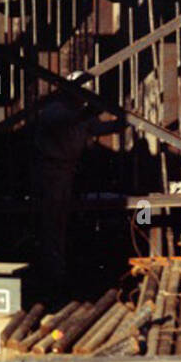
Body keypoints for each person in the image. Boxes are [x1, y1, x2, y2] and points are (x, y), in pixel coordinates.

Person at [32, 92, 124, 292]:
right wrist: (92, 111)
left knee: (60, 221)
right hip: (51, 171)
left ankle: (59, 270)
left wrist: (122, 121)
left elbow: (98, 128)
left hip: (66, 170)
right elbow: (69, 121)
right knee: (52, 221)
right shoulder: (55, 111)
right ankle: (52, 274)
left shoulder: (78, 115)